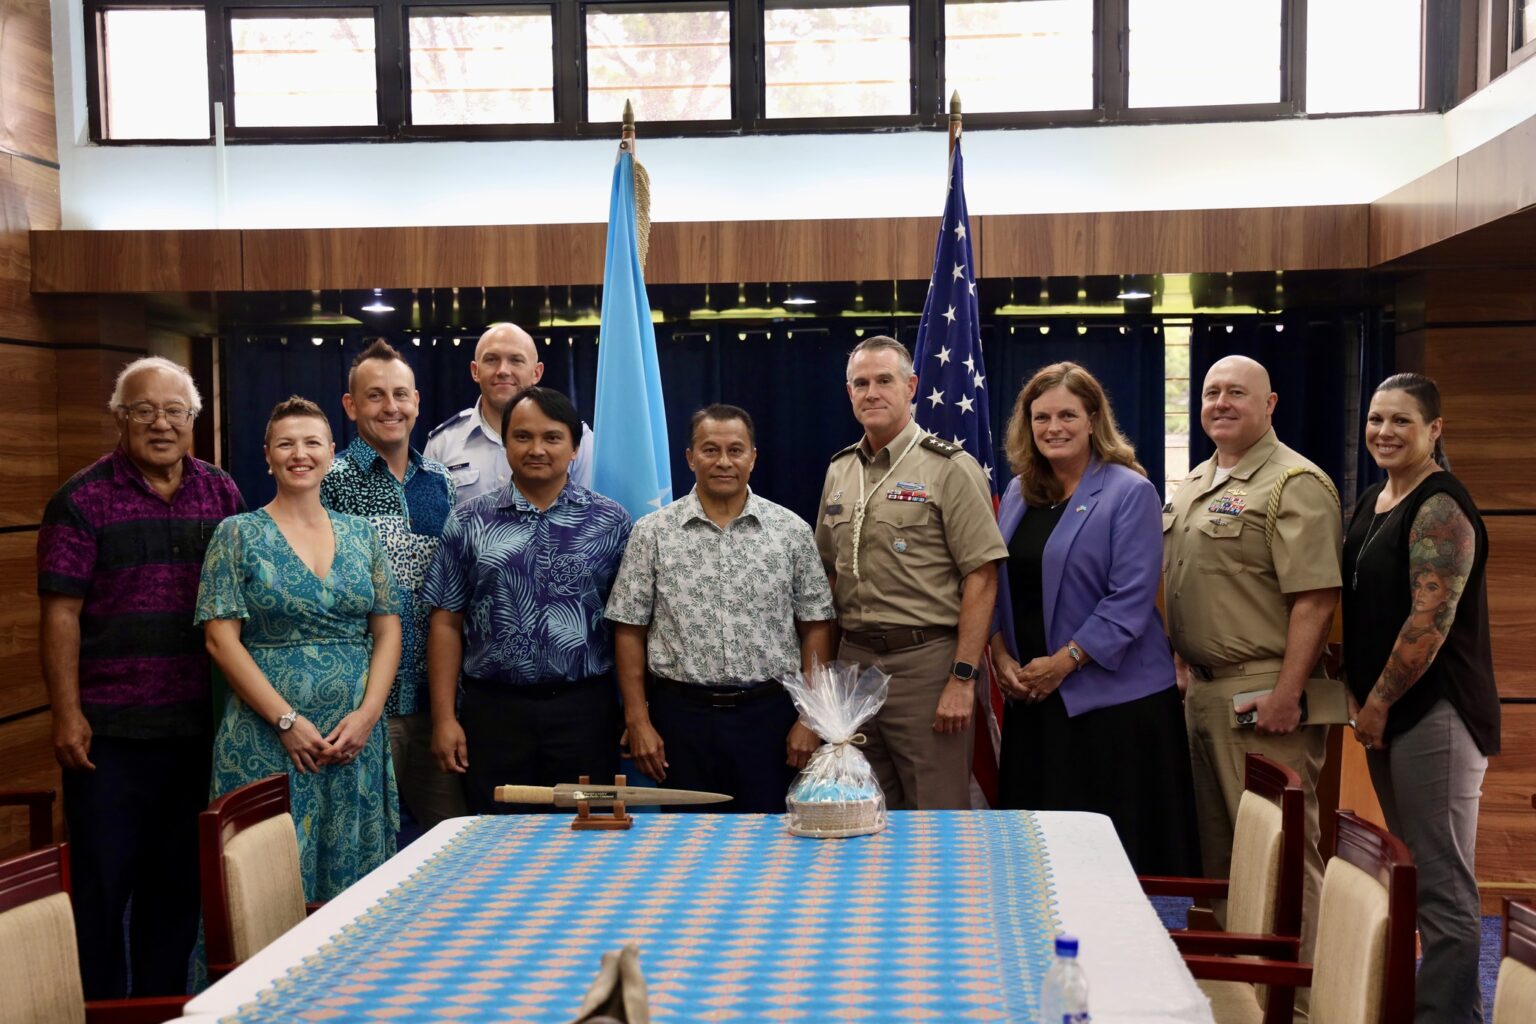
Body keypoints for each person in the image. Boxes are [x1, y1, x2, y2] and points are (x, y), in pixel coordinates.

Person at [36, 356, 245, 998]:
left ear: (193, 420)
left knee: (178, 889)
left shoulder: (222, 493)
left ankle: (159, 1008)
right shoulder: (81, 498)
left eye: (174, 411)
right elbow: (61, 613)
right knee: (101, 892)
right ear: (120, 419)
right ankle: (96, 1011)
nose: (161, 424)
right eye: (143, 411)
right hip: (109, 737)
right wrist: (67, 713)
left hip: (195, 730)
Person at [1163, 355, 1341, 1020]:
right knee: (1226, 857)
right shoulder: (1196, 482)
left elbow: (1316, 599)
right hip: (1205, 695)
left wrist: (1289, 692)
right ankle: (1245, 993)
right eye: (1211, 393)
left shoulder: (1294, 482)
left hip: (1266, 695)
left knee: (1284, 855)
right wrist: (1184, 665)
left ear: (1269, 404)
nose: (1221, 402)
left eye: (1237, 392)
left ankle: (1301, 1003)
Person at [989, 363, 1200, 875]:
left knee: (1109, 863)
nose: (1053, 427)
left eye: (1067, 414)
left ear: (1092, 419)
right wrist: (998, 652)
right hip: (1032, 700)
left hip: (1112, 706)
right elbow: (996, 580)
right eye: (1041, 417)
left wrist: (1061, 664)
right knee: (1039, 858)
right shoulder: (1018, 492)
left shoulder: (1129, 491)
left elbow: (1129, 600)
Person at [197, 397, 402, 900]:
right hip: (265, 739)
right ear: (267, 455)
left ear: (331, 452)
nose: (299, 454)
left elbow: (389, 629)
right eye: (285, 444)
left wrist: (368, 716)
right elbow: (220, 641)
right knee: (264, 889)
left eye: (312, 443)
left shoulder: (362, 535)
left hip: (353, 741)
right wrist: (286, 722)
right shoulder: (236, 534)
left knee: (356, 887)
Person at [1343, 372, 1498, 1024]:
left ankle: (1448, 1017)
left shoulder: (1439, 505)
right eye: (1377, 418)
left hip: (1436, 713)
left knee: (1441, 881)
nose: (1384, 431)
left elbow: (1428, 623)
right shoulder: (1376, 499)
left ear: (1434, 429)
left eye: (1401, 420)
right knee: (1413, 870)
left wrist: (1376, 703)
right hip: (1391, 715)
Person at [606, 404, 836, 810]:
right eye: (710, 450)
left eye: (736, 450)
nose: (724, 461)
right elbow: (629, 629)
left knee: (771, 843)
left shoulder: (791, 532)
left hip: (770, 718)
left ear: (753, 457)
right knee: (689, 846)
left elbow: (816, 626)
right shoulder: (652, 534)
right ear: (691, 458)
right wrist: (637, 720)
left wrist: (811, 717)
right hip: (680, 719)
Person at [815, 336, 1007, 810]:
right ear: (849, 393)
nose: (872, 392)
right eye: (861, 383)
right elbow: (828, 576)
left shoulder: (949, 467)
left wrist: (962, 678)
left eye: (885, 380)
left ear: (911, 386)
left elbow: (982, 576)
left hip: (926, 665)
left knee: (934, 815)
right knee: (861, 807)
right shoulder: (840, 470)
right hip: (854, 663)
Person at [422, 386, 631, 813]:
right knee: (497, 845)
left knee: (591, 840)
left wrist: (637, 714)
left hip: (586, 714)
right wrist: (444, 719)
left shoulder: (611, 522)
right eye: (523, 436)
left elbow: (631, 628)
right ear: (505, 441)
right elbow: (445, 621)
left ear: (574, 447)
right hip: (493, 714)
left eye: (552, 438)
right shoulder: (467, 520)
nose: (537, 449)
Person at [320, 339, 466, 829]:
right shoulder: (329, 481)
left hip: (435, 702)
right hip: (362, 707)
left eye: (400, 395)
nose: (391, 407)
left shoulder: (440, 481)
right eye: (375, 395)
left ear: (417, 401)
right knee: (367, 848)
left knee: (450, 842)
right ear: (351, 405)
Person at [424, 322, 593, 502]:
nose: (503, 370)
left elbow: (592, 517)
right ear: (475, 371)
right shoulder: (442, 444)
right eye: (491, 360)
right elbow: (428, 525)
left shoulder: (577, 438)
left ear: (536, 373)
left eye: (516, 360)